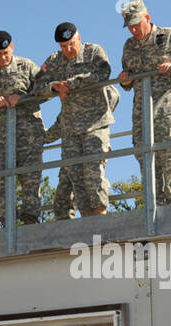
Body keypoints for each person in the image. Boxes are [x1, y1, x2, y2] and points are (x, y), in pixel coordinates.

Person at [118, 0, 171, 205]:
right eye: (129, 26)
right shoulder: (129, 46)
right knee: (145, 157)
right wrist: (125, 80)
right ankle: (153, 205)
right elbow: (127, 78)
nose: (133, 30)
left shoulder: (170, 36)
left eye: (136, 24)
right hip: (142, 112)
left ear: (147, 18)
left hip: (170, 107)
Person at [33, 23, 116, 217]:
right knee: (75, 175)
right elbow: (36, 85)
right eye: (63, 46)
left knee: (93, 171)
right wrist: (53, 87)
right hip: (69, 127)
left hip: (95, 122)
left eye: (71, 44)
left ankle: (101, 214)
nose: (68, 50)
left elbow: (103, 73)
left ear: (78, 37)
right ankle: (87, 216)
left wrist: (71, 84)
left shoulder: (94, 52)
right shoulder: (55, 60)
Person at [0, 31, 47, 225]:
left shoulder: (27, 66)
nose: (3, 57)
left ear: (13, 47)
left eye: (6, 52)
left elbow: (45, 90)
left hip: (29, 132)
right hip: (3, 134)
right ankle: (7, 222)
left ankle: (31, 219)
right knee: (3, 180)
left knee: (31, 177)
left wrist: (24, 98)